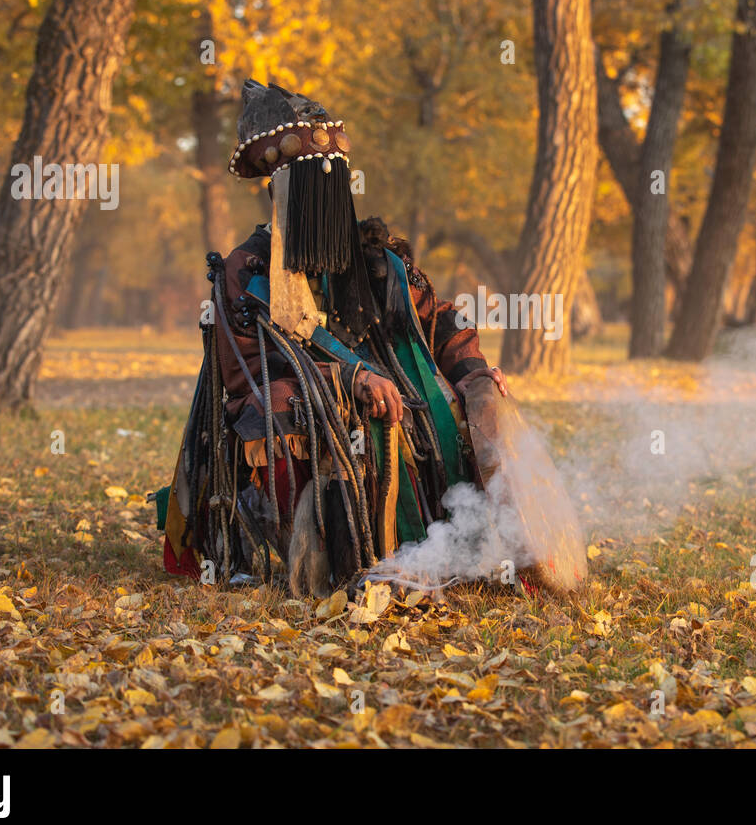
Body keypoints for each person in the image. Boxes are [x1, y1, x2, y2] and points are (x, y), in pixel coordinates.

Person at [159, 80, 505, 595]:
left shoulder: (378, 260)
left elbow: (437, 322)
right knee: (300, 409)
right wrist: (345, 378)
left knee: (463, 402)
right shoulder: (247, 270)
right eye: (311, 181)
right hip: (313, 401)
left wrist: (475, 372)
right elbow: (246, 371)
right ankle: (346, 557)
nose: (326, 194)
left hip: (397, 402)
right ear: (281, 190)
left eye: (334, 179)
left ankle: (470, 546)